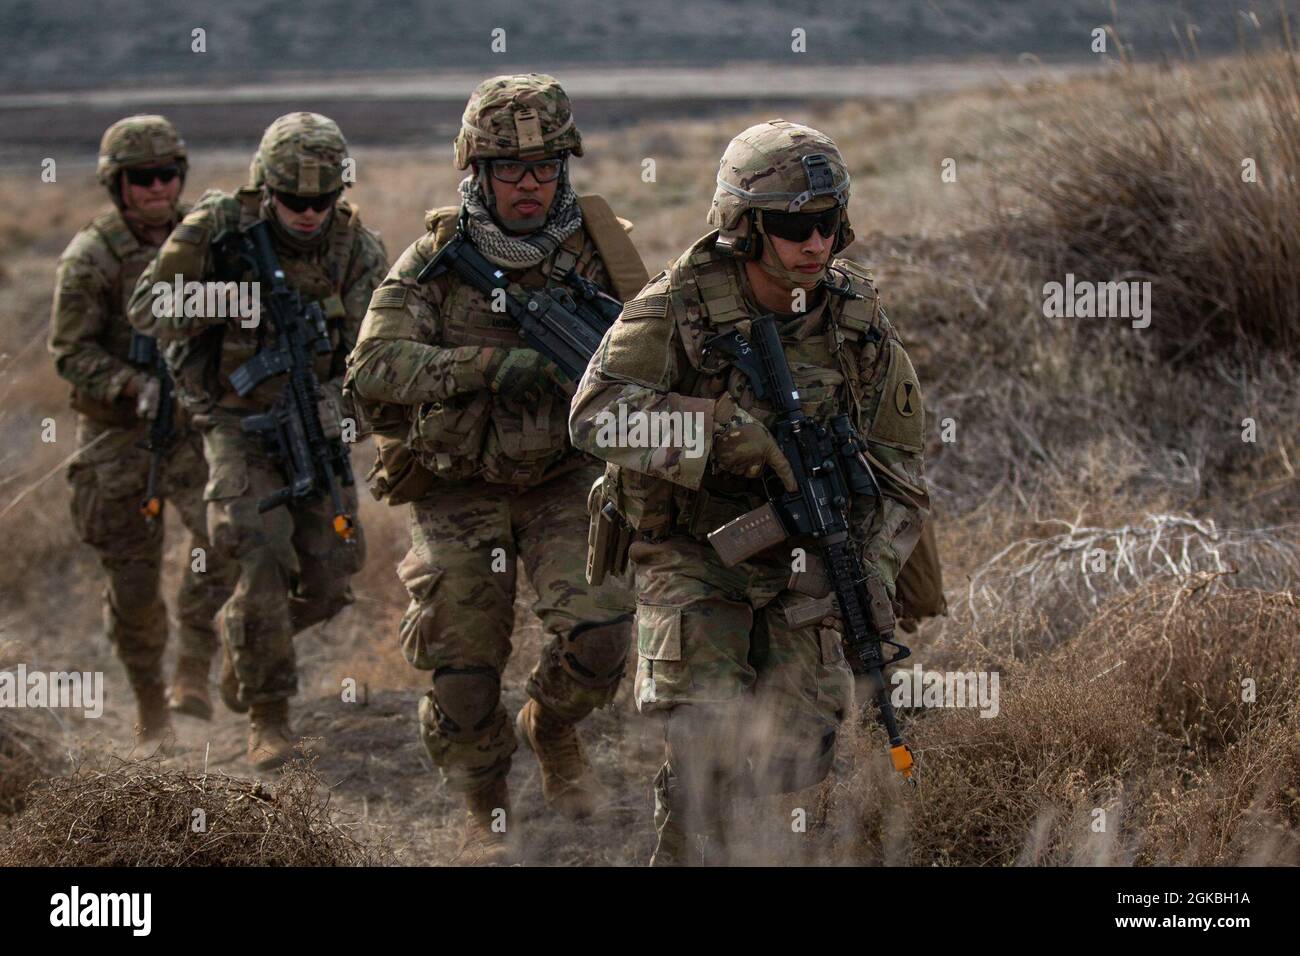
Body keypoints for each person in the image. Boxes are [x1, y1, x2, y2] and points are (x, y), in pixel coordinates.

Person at [569, 120, 930, 864]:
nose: (815, 244)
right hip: (691, 547)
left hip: (804, 550)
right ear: (744, 226)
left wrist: (875, 569)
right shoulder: (676, 307)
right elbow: (594, 416)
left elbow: (900, 466)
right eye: (794, 226)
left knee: (798, 750)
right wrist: (714, 433)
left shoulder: (856, 319)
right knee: (706, 736)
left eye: (827, 224)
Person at [345, 73, 648, 862]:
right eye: (509, 169)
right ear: (475, 172)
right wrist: (484, 366)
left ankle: (549, 724)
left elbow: (652, 346)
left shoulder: (601, 246)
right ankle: (486, 801)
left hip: (562, 478)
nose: (528, 184)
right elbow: (371, 369)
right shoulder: (436, 261)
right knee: (464, 674)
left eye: (544, 166)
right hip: (459, 490)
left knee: (604, 634)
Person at [128, 112, 388, 769]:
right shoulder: (218, 228)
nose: (307, 213)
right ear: (265, 190)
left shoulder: (357, 251)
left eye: (321, 200)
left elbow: (376, 357)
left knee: (334, 576)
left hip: (313, 423)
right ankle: (268, 716)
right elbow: (147, 309)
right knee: (260, 556)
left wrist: (340, 410)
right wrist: (235, 301)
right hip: (234, 426)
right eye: (293, 200)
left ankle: (246, 641)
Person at [49, 115, 234, 743]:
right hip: (117, 439)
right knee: (131, 583)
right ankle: (150, 701)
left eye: (168, 174)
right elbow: (69, 352)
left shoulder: (203, 239)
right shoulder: (91, 257)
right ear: (117, 185)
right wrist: (131, 383)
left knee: (227, 540)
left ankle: (194, 662)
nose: (158, 188)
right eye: (142, 178)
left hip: (190, 431)